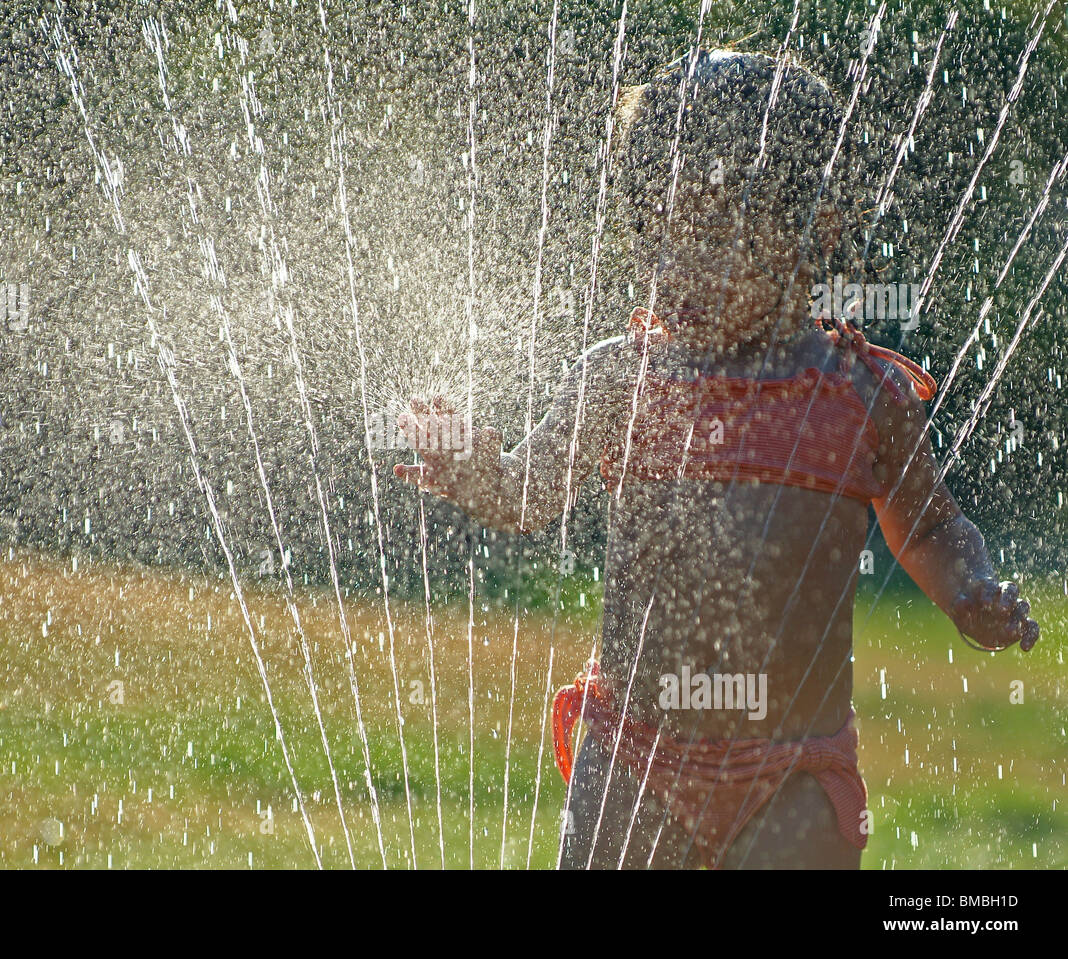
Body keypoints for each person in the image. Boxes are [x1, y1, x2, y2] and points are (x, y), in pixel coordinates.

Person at [393, 48, 1040, 869]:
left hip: (796, 770)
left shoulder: (857, 395)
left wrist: (971, 589)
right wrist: (475, 466)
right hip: (635, 751)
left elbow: (933, 527)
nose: (674, 265)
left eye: (709, 233)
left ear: (818, 228)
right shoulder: (621, 377)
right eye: (653, 232)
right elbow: (529, 491)